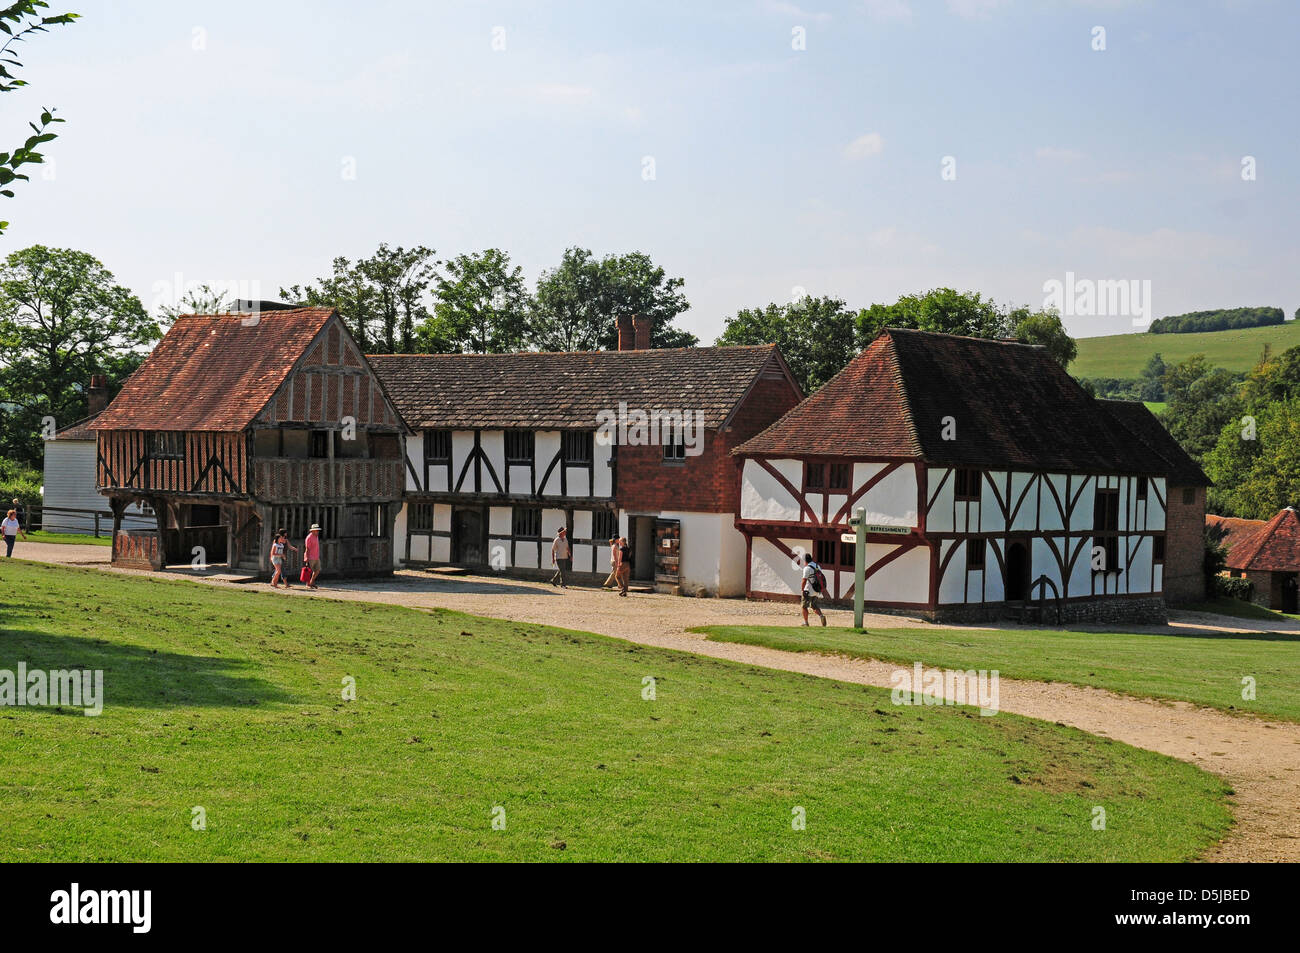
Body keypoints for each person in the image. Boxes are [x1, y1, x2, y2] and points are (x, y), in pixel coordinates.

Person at [801, 553, 827, 626]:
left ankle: (806, 623)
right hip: (816, 590)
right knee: (814, 605)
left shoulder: (807, 568)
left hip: (808, 590)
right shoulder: (817, 566)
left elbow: (804, 580)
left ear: (805, 560)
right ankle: (821, 616)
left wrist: (802, 590)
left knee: (804, 606)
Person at [304, 523, 322, 589]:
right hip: (310, 557)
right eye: (316, 530)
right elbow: (307, 548)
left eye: (318, 530)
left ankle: (311, 582)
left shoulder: (316, 536)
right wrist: (306, 557)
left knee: (317, 570)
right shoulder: (309, 538)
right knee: (309, 571)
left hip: (316, 556)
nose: (318, 531)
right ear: (312, 531)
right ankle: (308, 584)